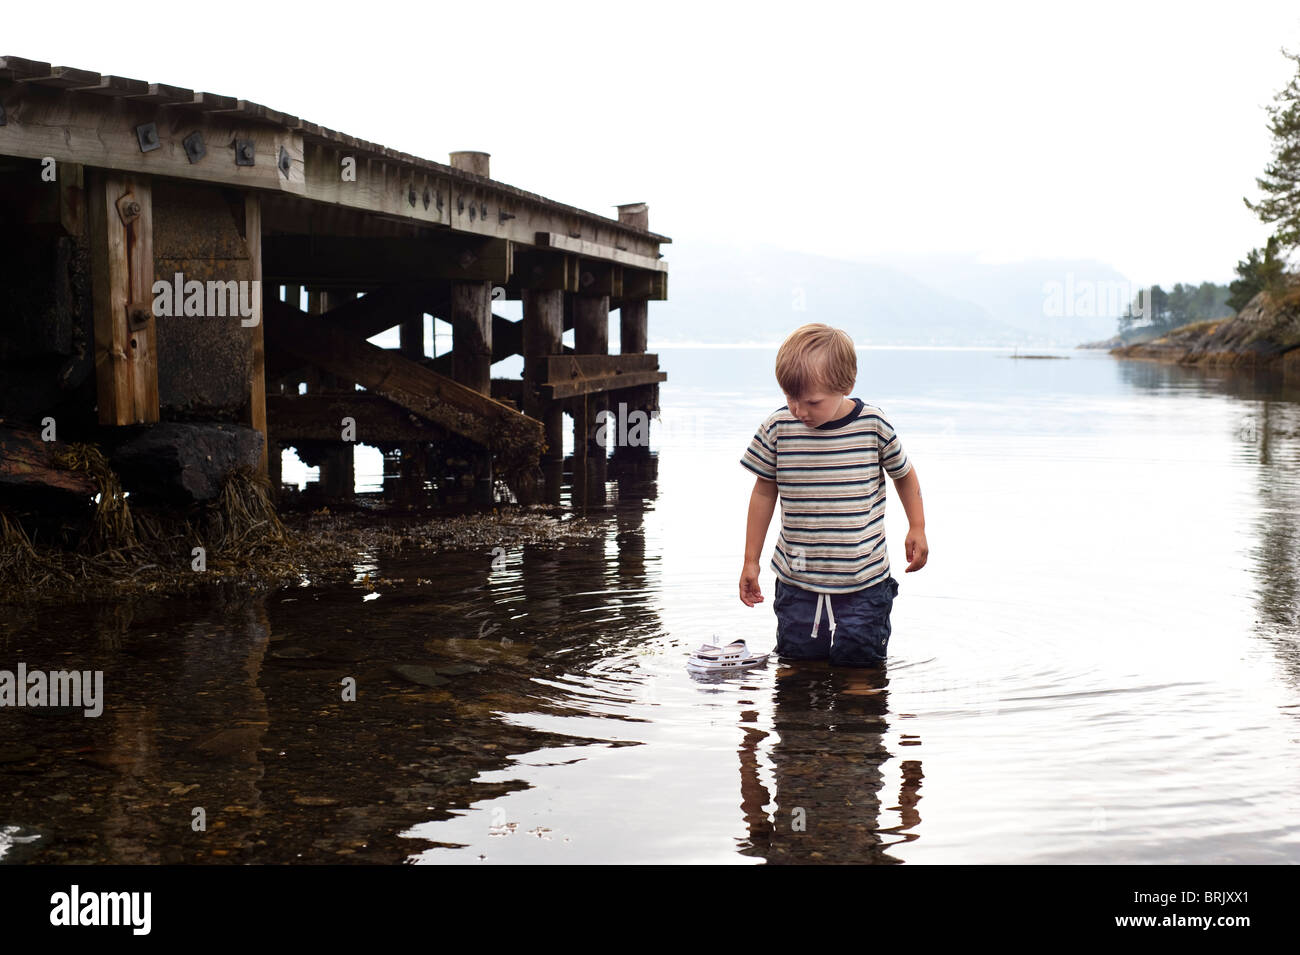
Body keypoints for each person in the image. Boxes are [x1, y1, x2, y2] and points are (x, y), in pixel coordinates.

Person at [738, 323, 928, 667]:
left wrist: (917, 526)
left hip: (864, 582)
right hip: (798, 583)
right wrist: (751, 560)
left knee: (861, 672)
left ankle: (857, 719)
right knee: (796, 669)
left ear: (846, 386)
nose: (799, 409)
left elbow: (904, 475)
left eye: (811, 401)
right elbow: (763, 493)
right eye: (790, 397)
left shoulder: (872, 425)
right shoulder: (778, 428)